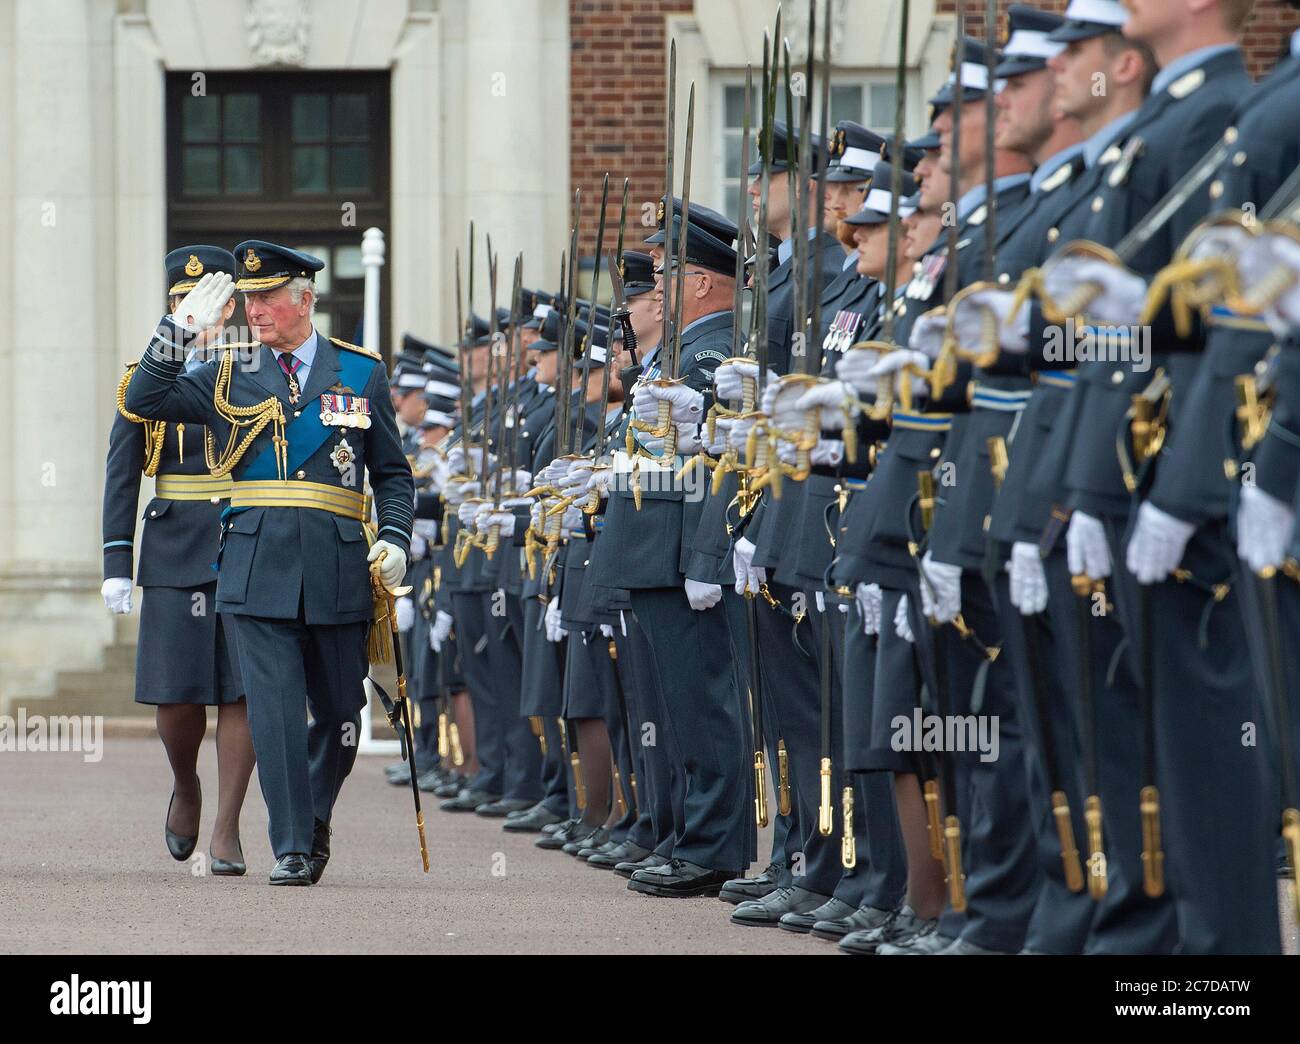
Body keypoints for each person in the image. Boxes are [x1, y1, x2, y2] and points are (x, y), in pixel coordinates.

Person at [124, 241, 414, 886]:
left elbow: (393, 474)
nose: (253, 311)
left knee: (341, 714)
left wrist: (395, 535)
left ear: (304, 300)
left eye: (266, 297)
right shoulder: (227, 371)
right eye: (248, 299)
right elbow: (143, 400)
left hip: (337, 565)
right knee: (276, 709)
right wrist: (176, 334)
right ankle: (291, 845)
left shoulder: (360, 373)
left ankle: (311, 821)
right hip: (255, 563)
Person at [102, 244, 255, 876]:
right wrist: (117, 559)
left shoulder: (253, 370)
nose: (204, 322)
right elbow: (120, 476)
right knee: (177, 696)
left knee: (242, 689)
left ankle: (228, 824)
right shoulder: (147, 378)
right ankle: (186, 784)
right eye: (186, 309)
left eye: (214, 310)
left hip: (244, 536)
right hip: (171, 545)